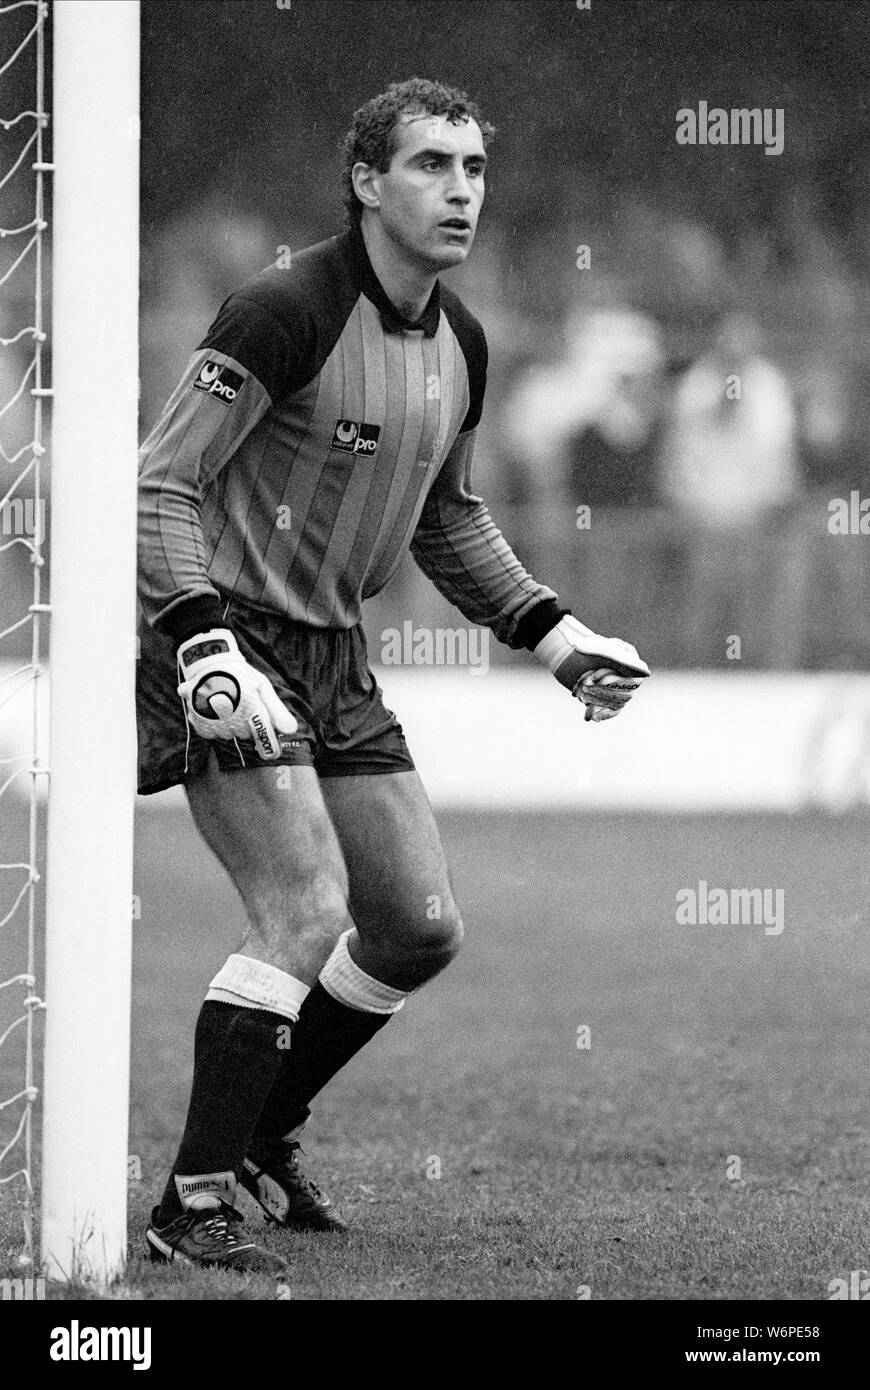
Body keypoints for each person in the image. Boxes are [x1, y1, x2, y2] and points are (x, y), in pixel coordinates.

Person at [136, 77, 650, 1274]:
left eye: (473, 168)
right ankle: (188, 1204)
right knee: (305, 908)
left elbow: (446, 517)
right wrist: (202, 639)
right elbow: (162, 480)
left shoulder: (461, 340)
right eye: (431, 165)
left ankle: (259, 1136)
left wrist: (556, 636)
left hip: (332, 655)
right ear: (368, 182)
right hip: (221, 637)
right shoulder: (284, 309)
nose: (461, 190)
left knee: (417, 927)